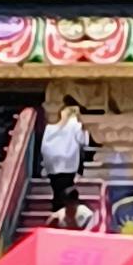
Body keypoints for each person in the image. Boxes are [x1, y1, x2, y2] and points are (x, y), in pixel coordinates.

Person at [41, 91, 92, 221]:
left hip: (53, 165)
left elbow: (44, 148)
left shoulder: (50, 128)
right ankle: (65, 216)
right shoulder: (75, 125)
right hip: (68, 164)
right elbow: (83, 141)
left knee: (57, 192)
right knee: (65, 192)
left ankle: (57, 215)